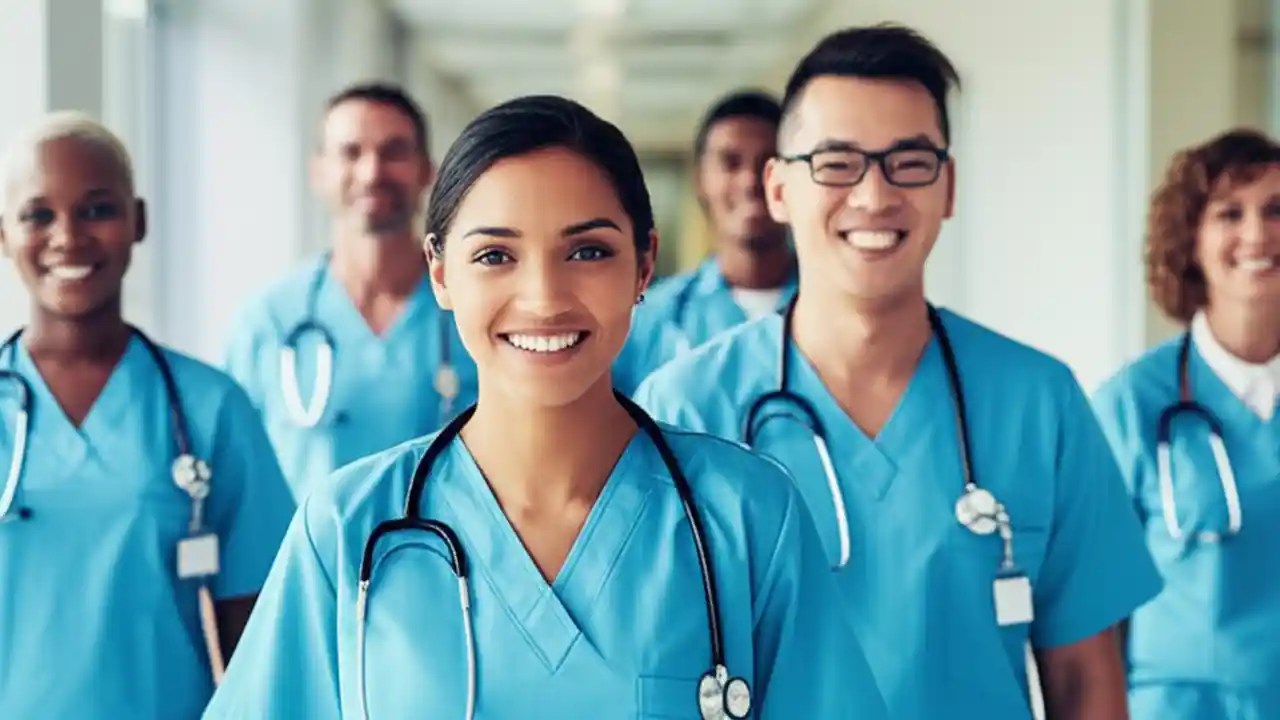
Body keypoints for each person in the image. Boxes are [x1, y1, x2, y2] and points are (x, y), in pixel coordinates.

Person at [203, 95, 887, 719]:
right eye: (496, 254)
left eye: (587, 250)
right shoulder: (347, 527)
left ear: (644, 264)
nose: (544, 296)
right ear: (441, 272)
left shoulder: (748, 515)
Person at [635, 24, 1162, 720]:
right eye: (837, 161)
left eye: (908, 161)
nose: (875, 194)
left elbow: (1085, 682)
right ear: (779, 187)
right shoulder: (686, 408)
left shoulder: (1039, 402)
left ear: (948, 187)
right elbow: (653, 668)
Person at [0, 112, 294, 718]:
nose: (68, 237)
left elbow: (259, 641)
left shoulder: (211, 409)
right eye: (38, 215)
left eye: (97, 209)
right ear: (4, 233)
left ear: (138, 221)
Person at [1092, 129, 1280, 719]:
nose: (1257, 233)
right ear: (1190, 241)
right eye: (1230, 213)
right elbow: (1091, 605)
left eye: (1277, 211)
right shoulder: (1130, 405)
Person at [223, 83, 477, 500]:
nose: (372, 171)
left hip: (448, 559)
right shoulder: (269, 321)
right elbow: (232, 479)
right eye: (350, 152)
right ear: (318, 171)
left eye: (394, 151)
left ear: (427, 170)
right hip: (314, 563)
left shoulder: (474, 306)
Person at [613, 90, 797, 393]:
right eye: (730, 162)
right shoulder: (650, 321)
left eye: (768, 163)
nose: (750, 181)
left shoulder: (841, 311)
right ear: (700, 179)